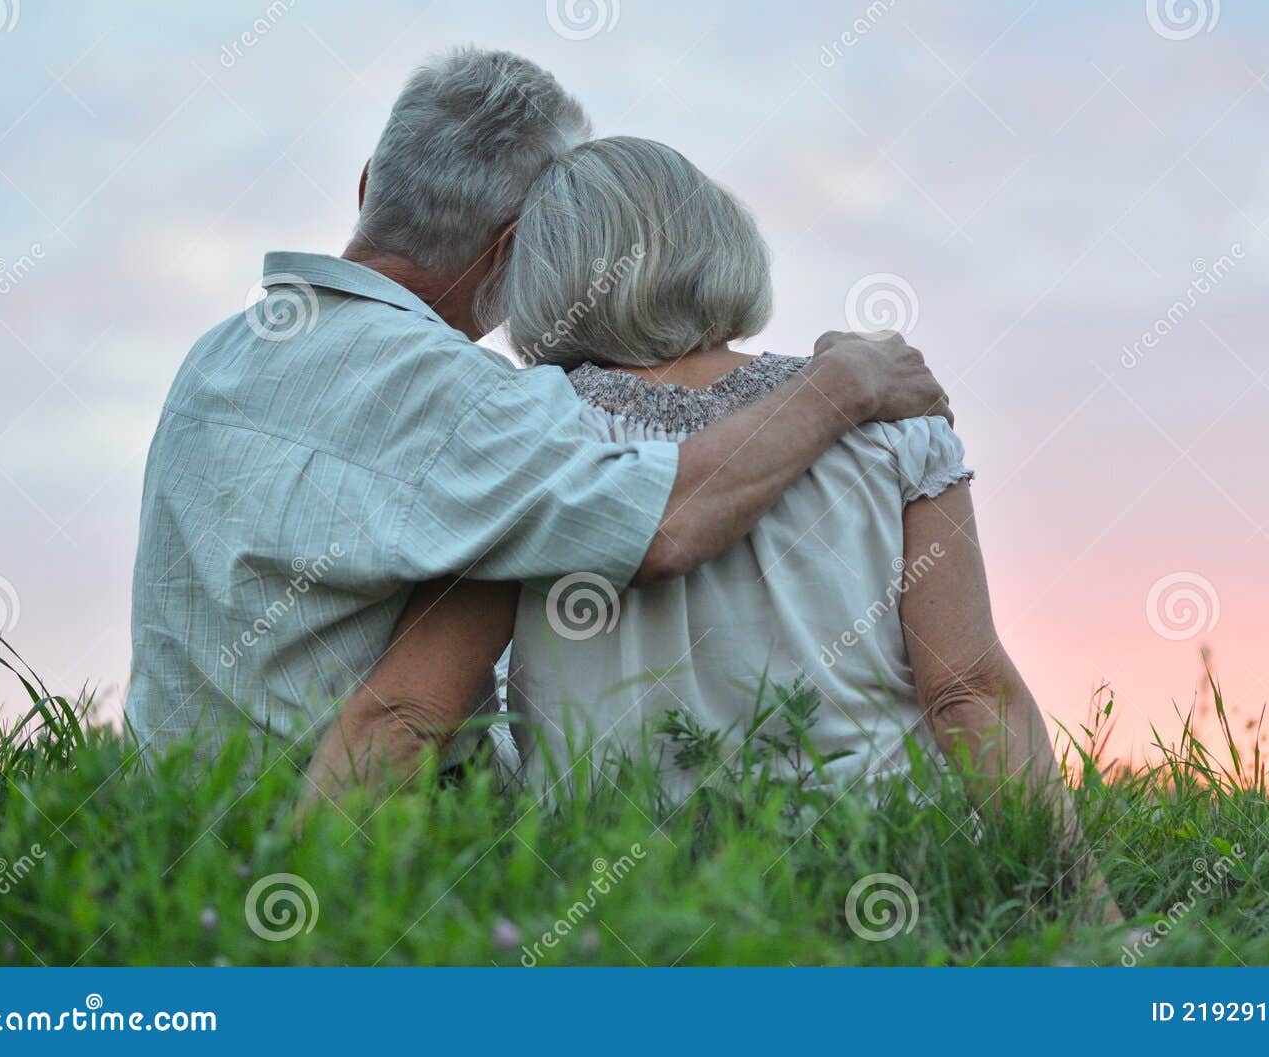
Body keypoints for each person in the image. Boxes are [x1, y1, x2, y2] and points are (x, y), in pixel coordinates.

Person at [307, 137, 1119, 922]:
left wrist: (287, 907)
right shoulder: (891, 421)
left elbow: (404, 712)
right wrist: (1092, 915)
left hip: (614, 911)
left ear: (539, 280)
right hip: (881, 885)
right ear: (721, 243)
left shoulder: (526, 440)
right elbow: (969, 692)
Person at [124, 49, 949, 764]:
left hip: (165, 820)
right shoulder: (463, 394)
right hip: (348, 823)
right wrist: (843, 383)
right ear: (516, 250)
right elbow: (666, 521)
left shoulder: (216, 355)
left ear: (370, 182)